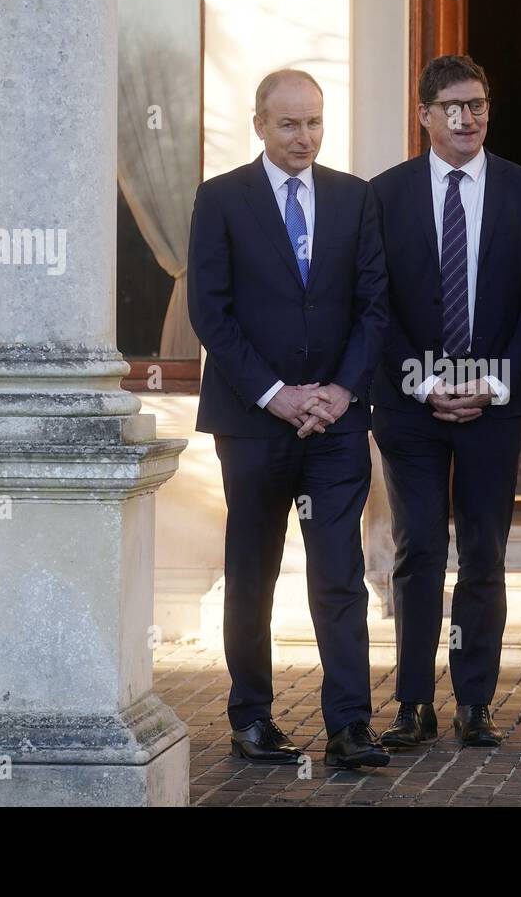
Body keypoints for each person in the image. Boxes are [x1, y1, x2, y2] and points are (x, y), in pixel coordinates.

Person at [187, 69, 390, 769]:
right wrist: (276, 394)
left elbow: (375, 306)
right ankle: (251, 720)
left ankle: (350, 726)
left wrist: (338, 392)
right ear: (259, 125)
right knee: (253, 573)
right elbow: (210, 312)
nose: (304, 137)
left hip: (336, 424)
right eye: (288, 124)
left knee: (339, 573)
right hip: (252, 423)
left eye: (314, 122)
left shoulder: (354, 198)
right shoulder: (220, 200)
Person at [369, 55, 521, 749]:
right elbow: (375, 303)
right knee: (419, 546)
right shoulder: (383, 195)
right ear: (424, 114)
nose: (467, 117)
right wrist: (423, 381)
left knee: (483, 550)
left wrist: (493, 379)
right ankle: (412, 702)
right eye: (451, 105)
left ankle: (475, 701)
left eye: (477, 104)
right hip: (408, 400)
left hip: (495, 401)